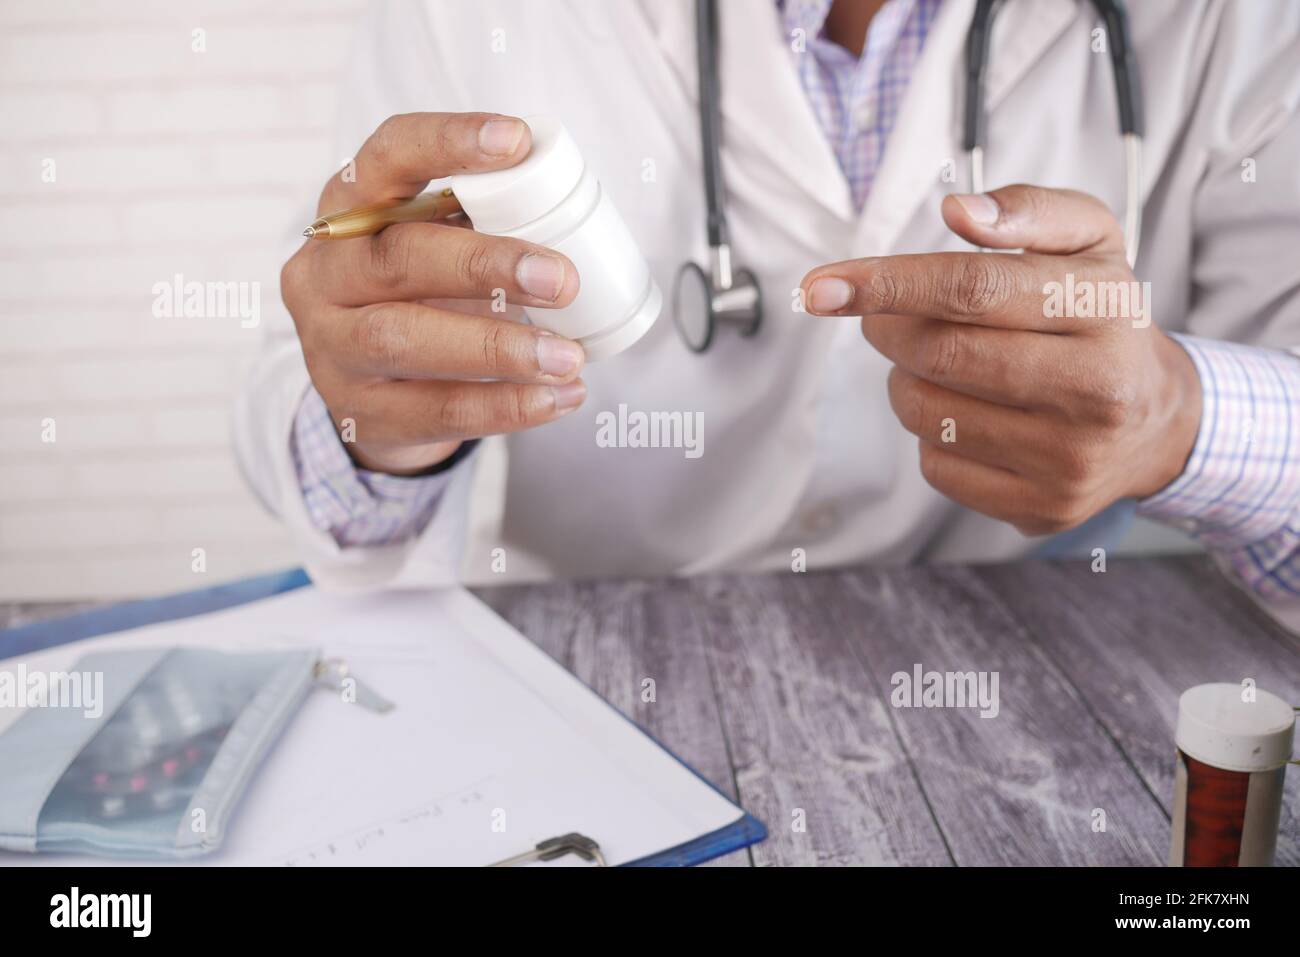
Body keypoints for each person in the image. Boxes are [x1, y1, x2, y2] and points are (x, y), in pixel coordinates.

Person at [235, 0, 1300, 627]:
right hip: (596, 643)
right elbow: (311, 389)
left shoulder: (1237, 25)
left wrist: (1179, 422)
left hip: (1031, 640)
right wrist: (379, 424)